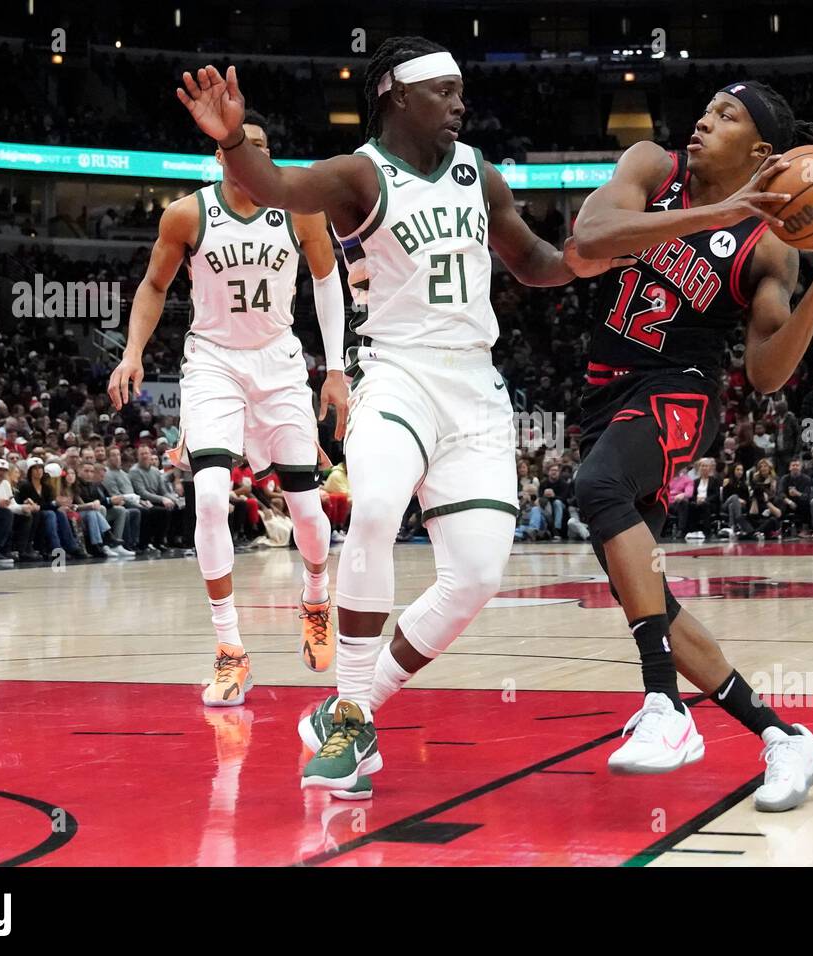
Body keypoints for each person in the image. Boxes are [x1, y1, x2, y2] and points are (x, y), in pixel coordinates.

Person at [175, 39, 625, 795]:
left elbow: (535, 261)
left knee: (478, 572)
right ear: (396, 95)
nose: (459, 103)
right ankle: (352, 722)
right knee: (377, 507)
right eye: (444, 91)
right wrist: (229, 138)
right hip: (397, 374)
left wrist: (586, 260)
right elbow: (276, 183)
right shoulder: (359, 173)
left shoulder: (478, 171)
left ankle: (355, 705)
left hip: (475, 387)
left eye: (459, 92)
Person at [568, 78, 813, 806]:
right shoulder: (650, 166)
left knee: (598, 488)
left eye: (726, 117)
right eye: (706, 110)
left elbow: (766, 373)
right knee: (652, 602)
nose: (703, 122)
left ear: (762, 152)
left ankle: (664, 706)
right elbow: (587, 244)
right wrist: (714, 211)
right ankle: (784, 739)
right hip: (604, 393)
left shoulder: (769, 248)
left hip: (679, 392)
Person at [110, 108, 345, 702]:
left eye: (259, 145)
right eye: (238, 146)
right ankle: (229, 648)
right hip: (213, 361)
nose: (248, 154)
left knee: (308, 516)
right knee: (211, 497)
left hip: (280, 365)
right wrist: (133, 351)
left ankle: (316, 596)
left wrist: (336, 367)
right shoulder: (187, 213)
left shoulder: (300, 207)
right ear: (220, 155)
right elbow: (155, 285)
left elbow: (325, 280)